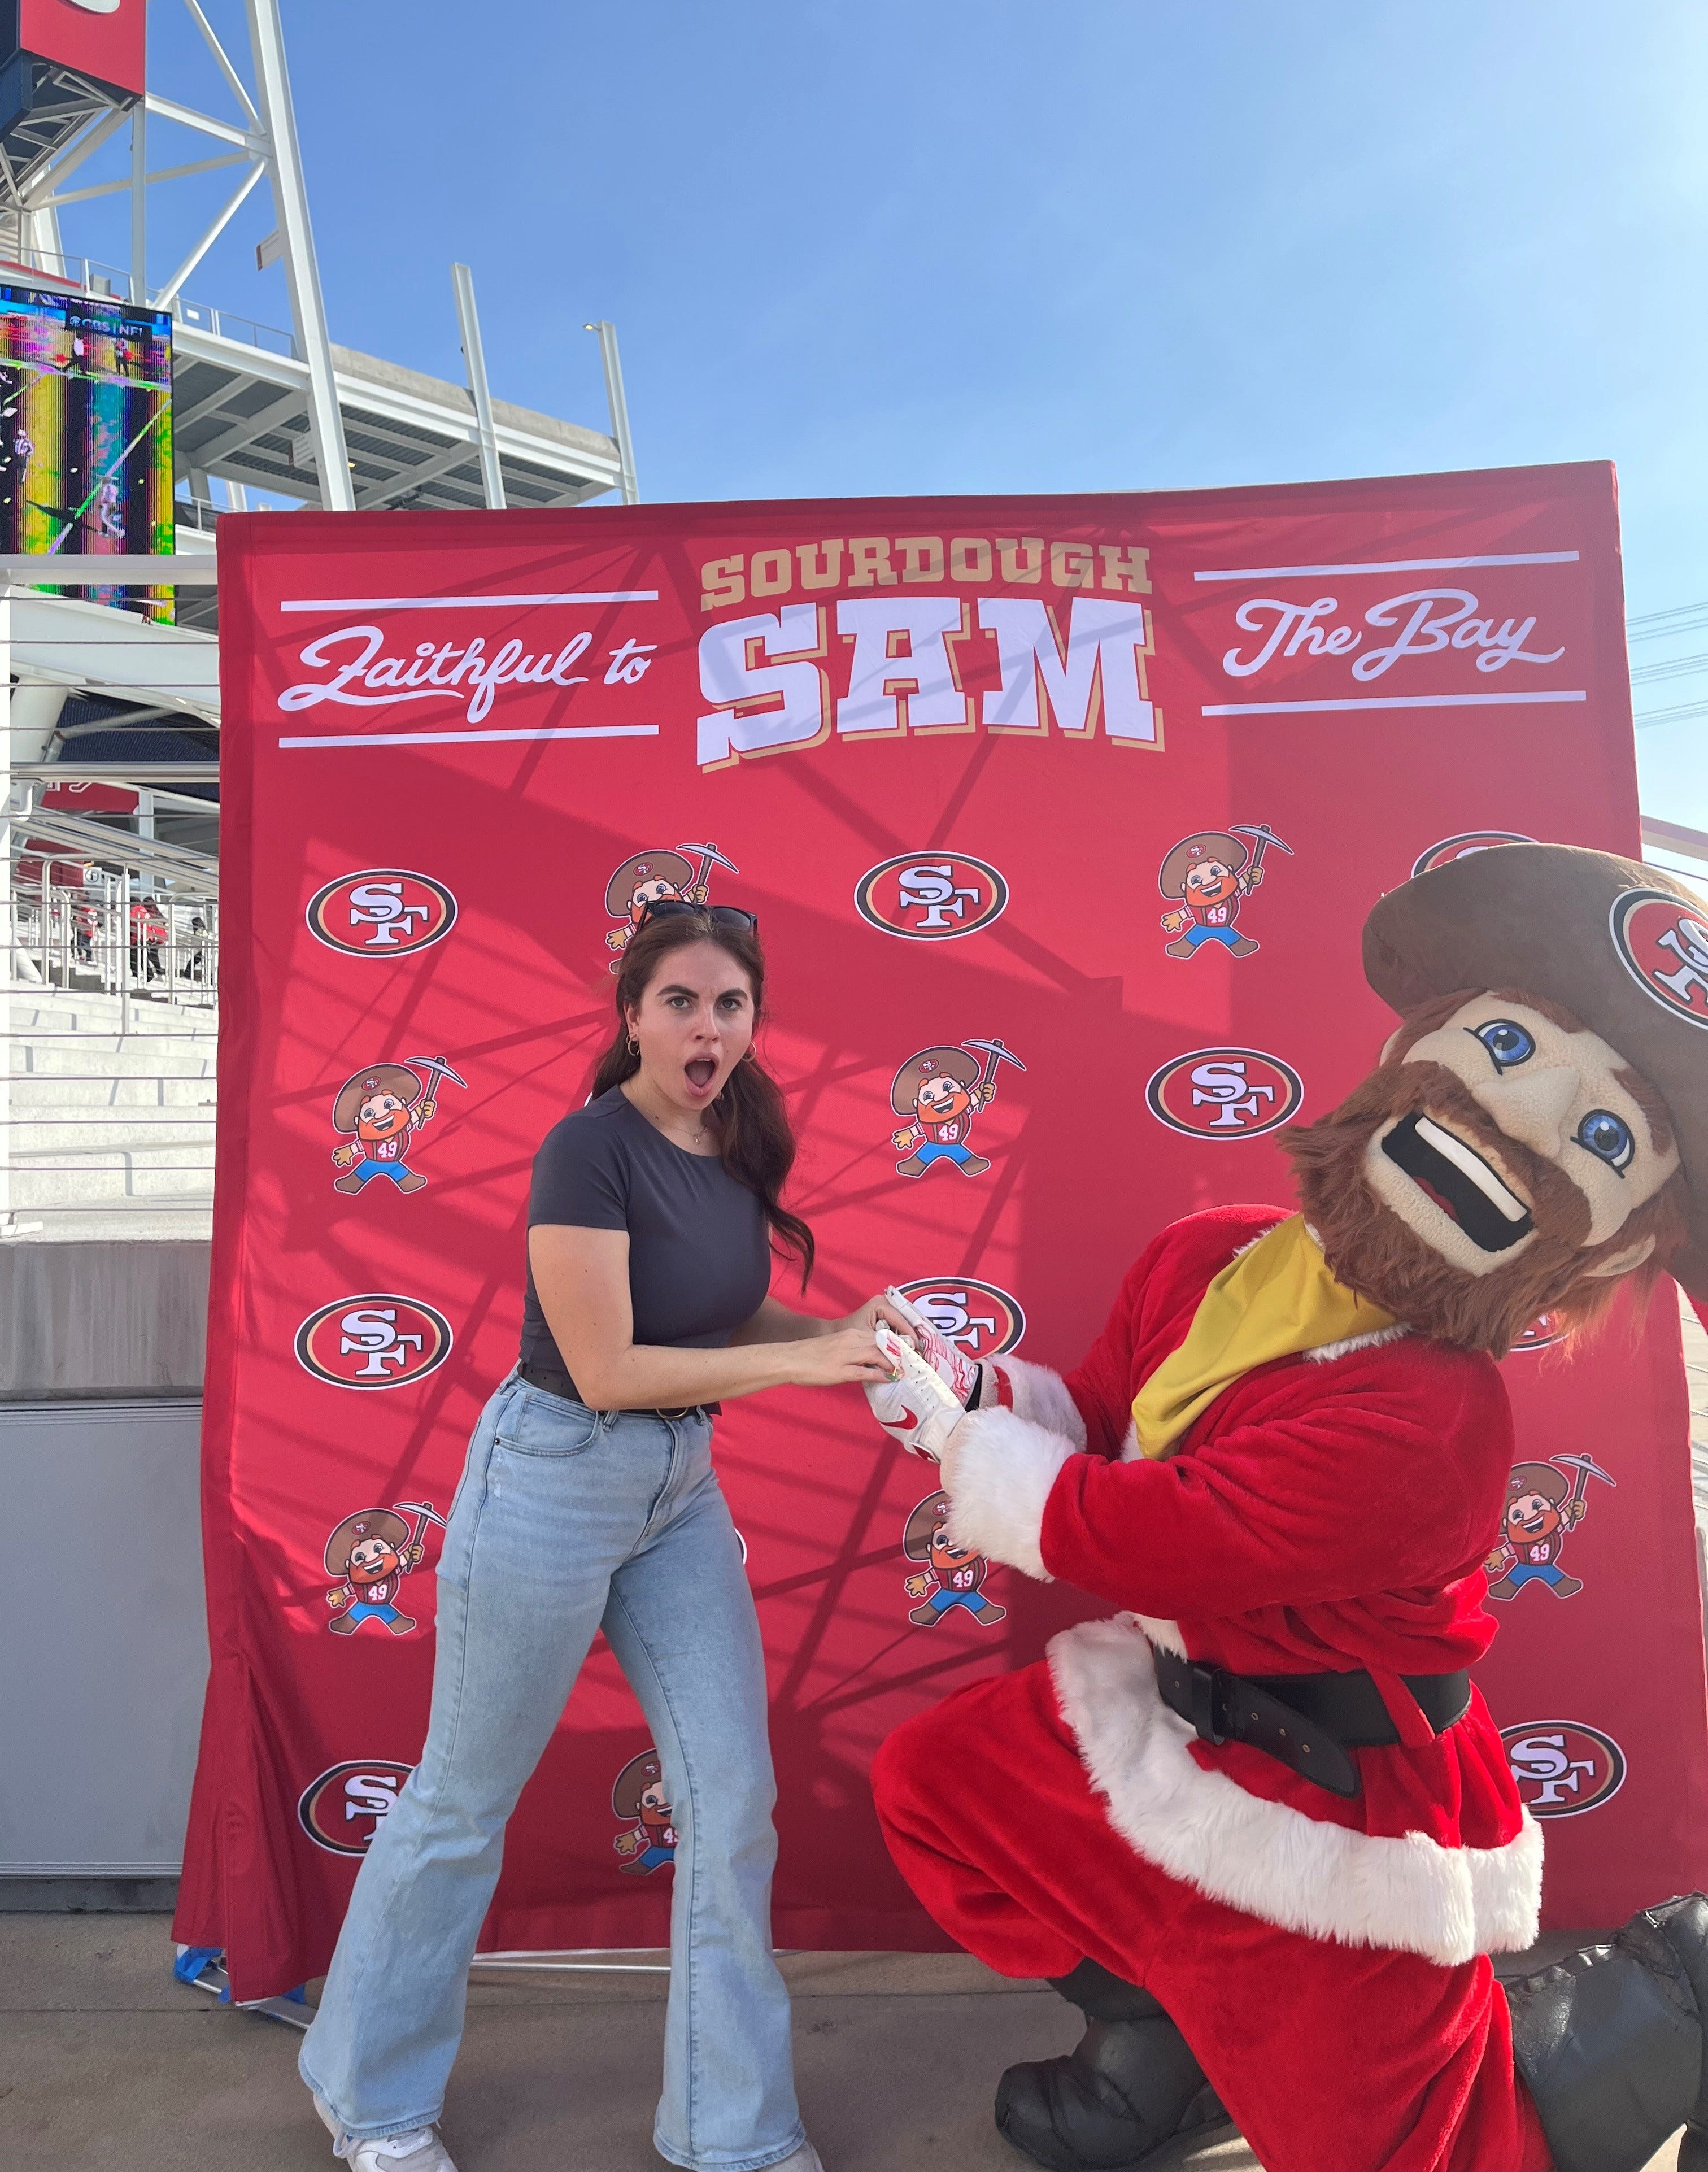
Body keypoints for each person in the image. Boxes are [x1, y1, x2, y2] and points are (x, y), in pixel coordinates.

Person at [862, 844, 1708, 2172]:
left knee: (1444, 2157)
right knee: (943, 1790)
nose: (1516, 1121)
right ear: (1413, 1051)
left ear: (1601, 1247)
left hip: (1338, 1808)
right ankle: (1166, 2040)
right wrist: (964, 1394)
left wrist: (974, 1455)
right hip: (1169, 1721)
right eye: (1504, 1050)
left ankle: (1678, 2001)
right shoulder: (1214, 1253)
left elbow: (1149, 1531)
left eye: (1601, 1136)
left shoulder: (1438, 1420)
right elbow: (1101, 1415)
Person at [299, 900, 916, 2172]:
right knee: (465, 1799)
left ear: (755, 1020)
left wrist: (846, 1331)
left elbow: (720, 1324)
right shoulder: (589, 1148)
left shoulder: (732, 1140)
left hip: (678, 1490)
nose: (707, 1027)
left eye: (729, 1004)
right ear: (632, 1015)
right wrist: (810, 1371)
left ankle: (733, 2132)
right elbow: (604, 1364)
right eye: (681, 1001)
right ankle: (368, 2100)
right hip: (555, 1475)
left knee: (734, 1798)